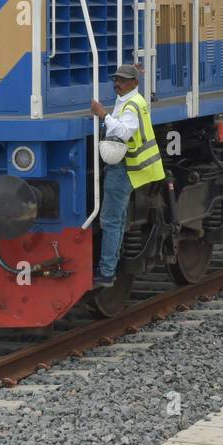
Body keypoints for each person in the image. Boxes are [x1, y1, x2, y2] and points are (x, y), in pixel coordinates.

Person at [89, 64, 165, 288]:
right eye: (116, 79)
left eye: (122, 80)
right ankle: (111, 265)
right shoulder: (132, 100)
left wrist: (103, 115)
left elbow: (123, 131)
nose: (117, 84)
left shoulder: (131, 104)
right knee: (118, 219)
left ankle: (106, 272)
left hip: (125, 167)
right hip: (130, 166)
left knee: (110, 220)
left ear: (134, 83)